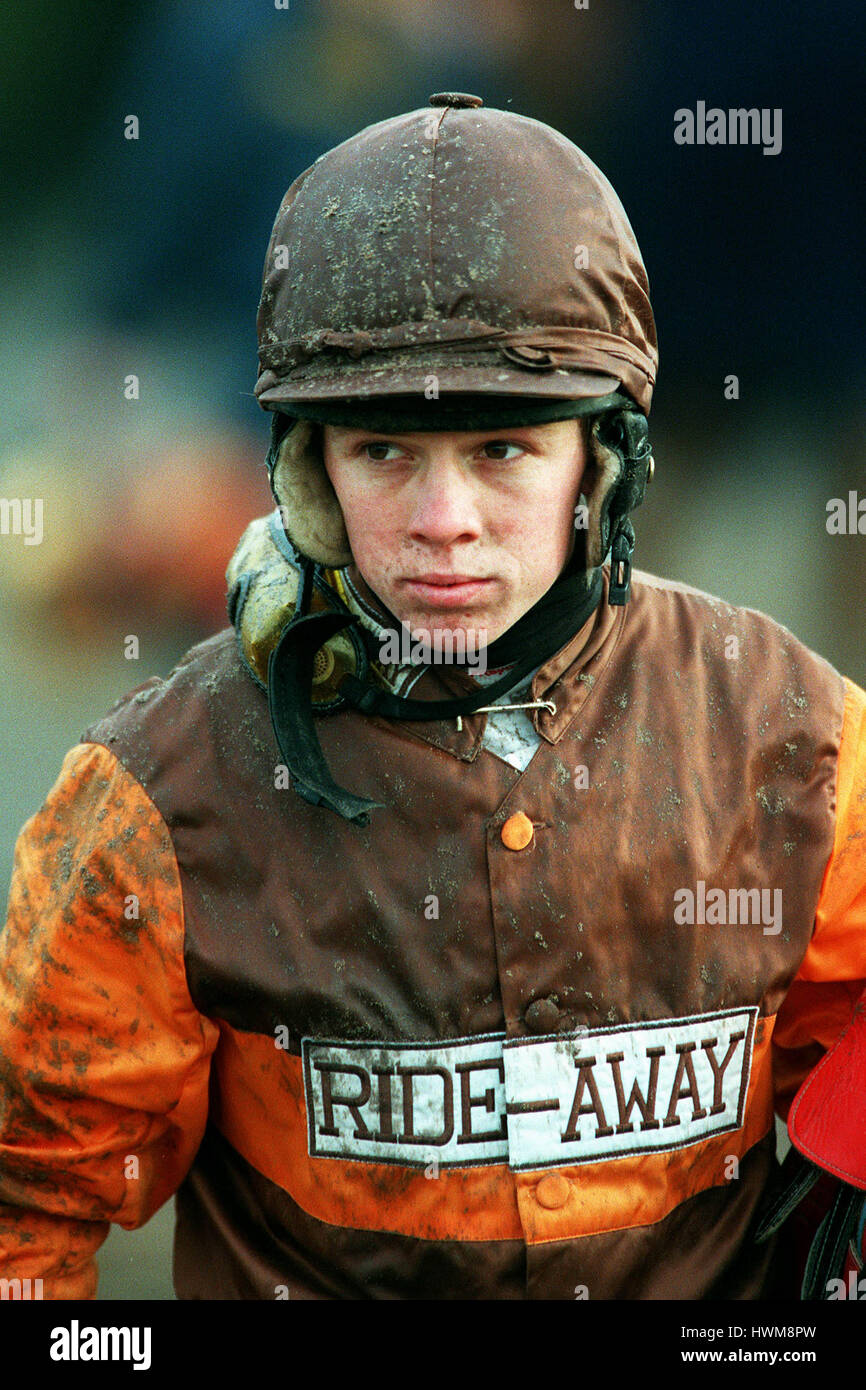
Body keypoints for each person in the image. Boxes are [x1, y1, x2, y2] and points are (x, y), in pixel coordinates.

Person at [1, 92, 864, 1302]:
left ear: (600, 465)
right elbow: (29, 1205)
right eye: (384, 453)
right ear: (310, 472)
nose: (443, 522)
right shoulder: (157, 796)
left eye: (502, 451)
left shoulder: (796, 740)